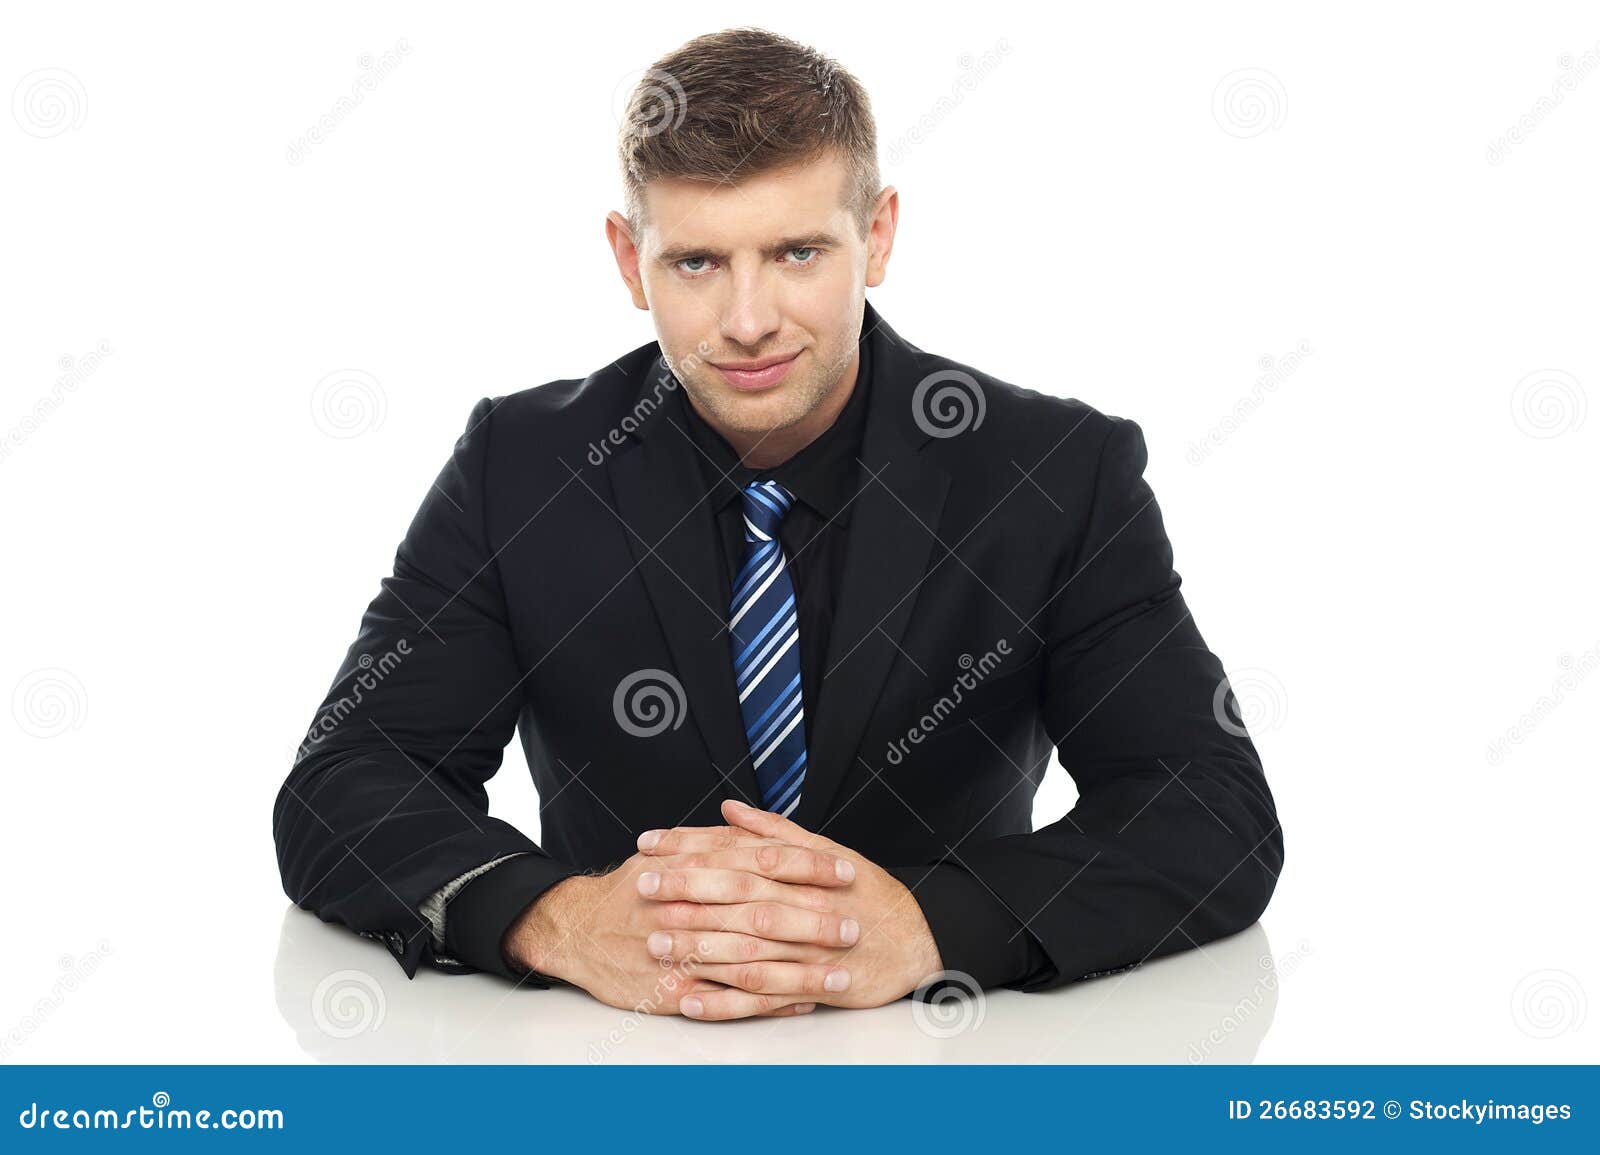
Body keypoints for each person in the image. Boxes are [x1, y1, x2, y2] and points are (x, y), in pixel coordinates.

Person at [273, 26, 1283, 1022]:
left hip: (947, 1066)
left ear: (877, 237)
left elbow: (1208, 809)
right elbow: (345, 783)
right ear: (630, 261)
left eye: (797, 251)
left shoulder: (1054, 471)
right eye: (698, 264)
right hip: (613, 1058)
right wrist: (559, 919)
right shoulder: (522, 465)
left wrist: (929, 926)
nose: (748, 320)